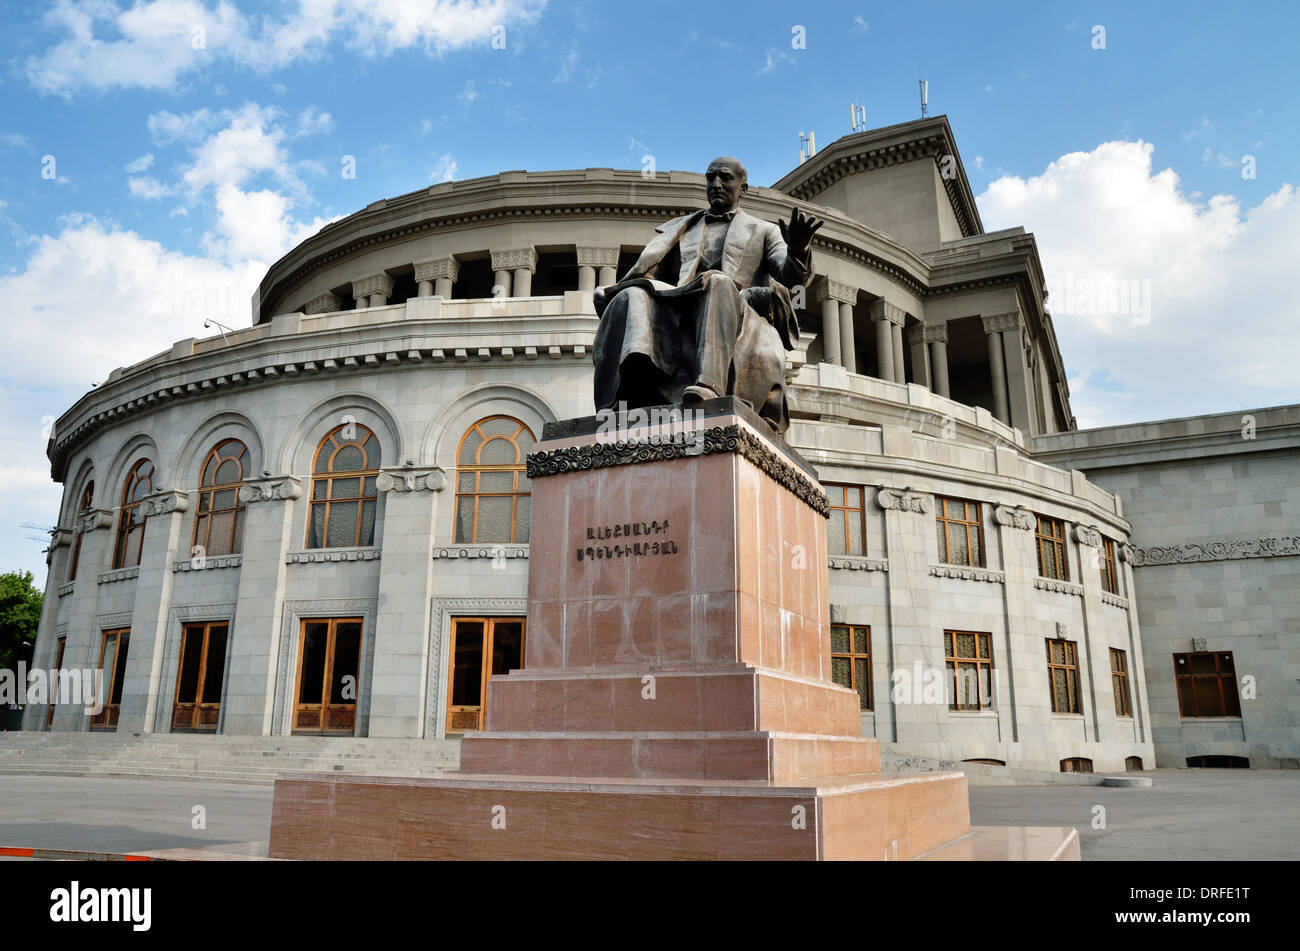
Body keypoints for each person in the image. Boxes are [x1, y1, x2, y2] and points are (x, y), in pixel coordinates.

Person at [592, 156, 824, 432]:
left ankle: (709, 384)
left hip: (737, 309)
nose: (716, 184)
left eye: (725, 177)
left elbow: (791, 277)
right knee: (629, 296)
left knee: (718, 282)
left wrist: (798, 249)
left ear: (743, 187)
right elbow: (653, 277)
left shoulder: (764, 231)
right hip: (680, 304)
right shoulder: (680, 228)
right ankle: (621, 399)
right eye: (710, 177)